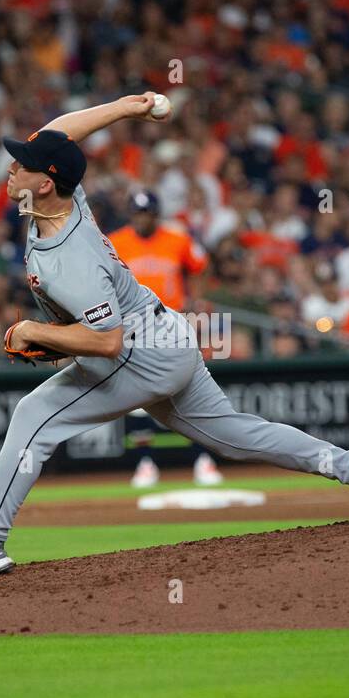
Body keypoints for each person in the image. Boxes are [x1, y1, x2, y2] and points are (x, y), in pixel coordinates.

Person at [0, 94, 349, 585]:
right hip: (167, 337)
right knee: (238, 435)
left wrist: (32, 331)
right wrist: (125, 108)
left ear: (45, 183)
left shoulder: (69, 259)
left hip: (141, 351)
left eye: (20, 165)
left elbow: (107, 341)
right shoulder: (65, 200)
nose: (10, 168)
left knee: (33, 416)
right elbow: (59, 135)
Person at [108, 189, 220, 488]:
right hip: (134, 327)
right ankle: (145, 462)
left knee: (188, 393)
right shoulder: (116, 242)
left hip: (173, 323)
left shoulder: (177, 238)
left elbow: (200, 267)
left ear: (156, 214)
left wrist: (197, 299)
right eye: (136, 213)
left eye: (146, 213)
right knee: (136, 399)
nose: (141, 218)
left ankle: (202, 458)